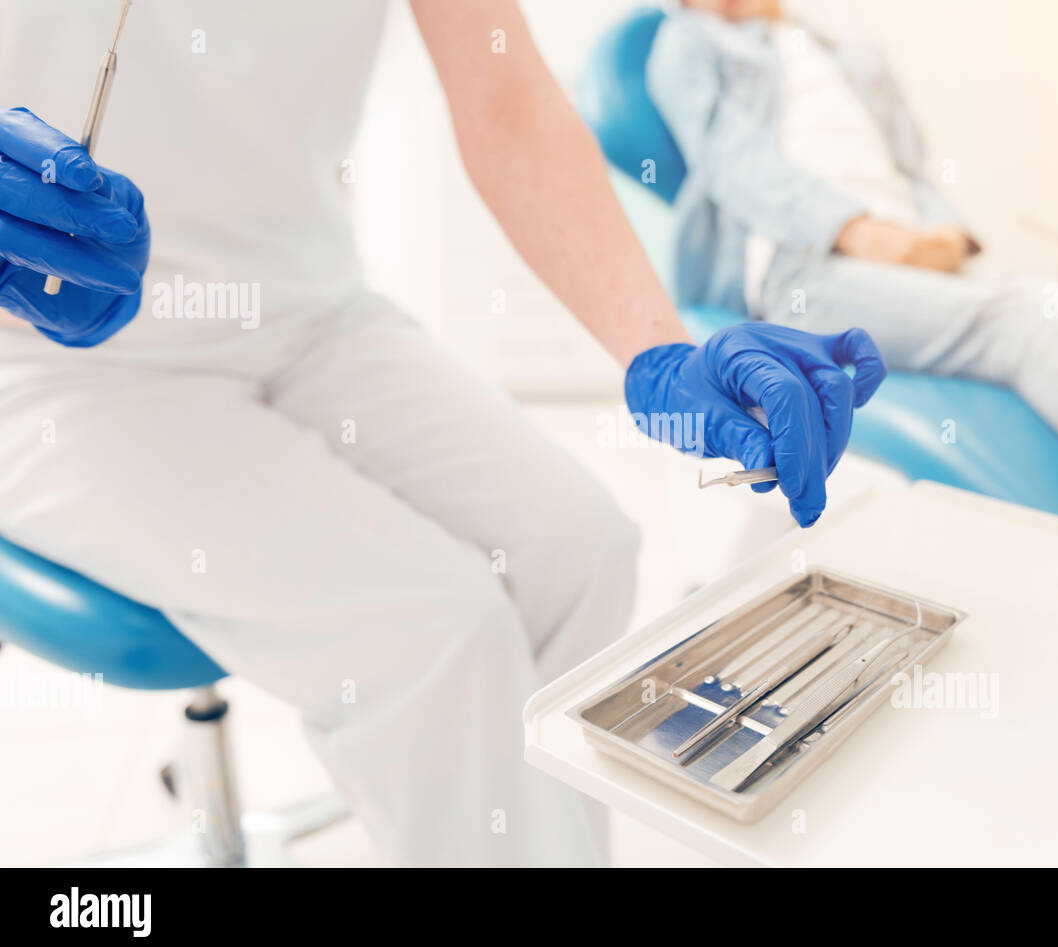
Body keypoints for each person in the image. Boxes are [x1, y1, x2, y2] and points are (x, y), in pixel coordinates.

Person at [0, 0, 884, 866]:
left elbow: (504, 94)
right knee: (434, 633)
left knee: (582, 551)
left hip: (311, 316)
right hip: (51, 364)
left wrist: (657, 351)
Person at [648, 0, 1058, 578]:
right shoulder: (690, 42)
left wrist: (946, 233)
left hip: (912, 258)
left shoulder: (838, 49)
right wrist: (859, 231)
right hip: (806, 271)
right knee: (1027, 325)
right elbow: (736, 166)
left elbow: (910, 170)